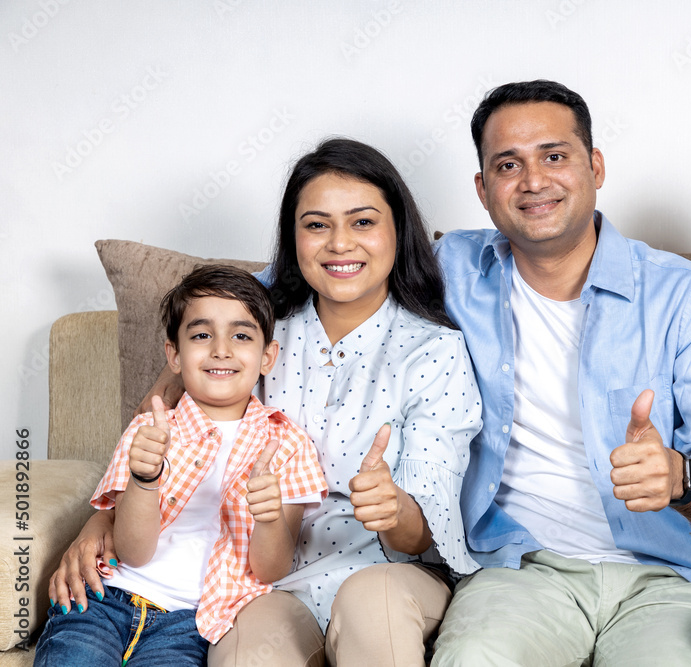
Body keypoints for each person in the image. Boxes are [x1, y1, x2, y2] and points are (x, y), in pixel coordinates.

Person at [50, 139, 483, 667]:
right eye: (317, 224)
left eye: (363, 222)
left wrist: (392, 510)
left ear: (398, 231)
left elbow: (424, 530)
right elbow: (173, 407)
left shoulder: (435, 351)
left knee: (374, 608)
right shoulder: (255, 333)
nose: (339, 243)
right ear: (293, 239)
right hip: (268, 575)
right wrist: (101, 521)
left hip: (387, 568)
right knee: (248, 652)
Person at [429, 80, 691, 665]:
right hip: (520, 569)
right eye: (509, 165)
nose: (534, 181)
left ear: (596, 166)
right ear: (484, 190)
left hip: (668, 580)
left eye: (555, 156)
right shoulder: (449, 268)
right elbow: (312, 259)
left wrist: (680, 478)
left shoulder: (681, 294)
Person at [35, 265, 329, 665]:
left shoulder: (288, 443)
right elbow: (133, 553)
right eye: (202, 335)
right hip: (105, 599)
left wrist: (269, 516)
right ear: (174, 354)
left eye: (241, 335)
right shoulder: (150, 430)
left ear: (267, 357)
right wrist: (144, 480)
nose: (221, 349)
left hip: (190, 622)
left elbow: (269, 569)